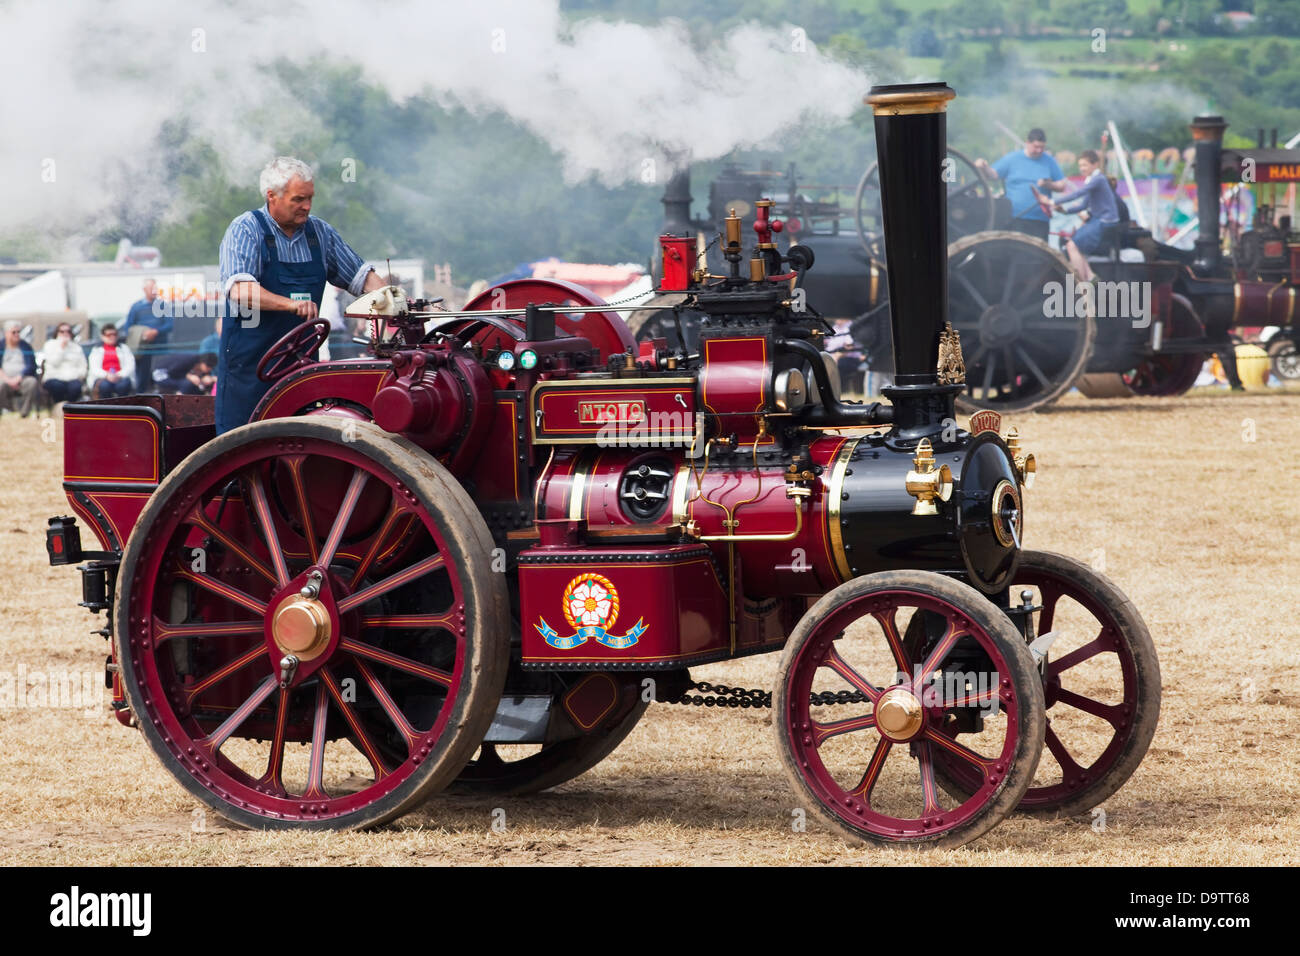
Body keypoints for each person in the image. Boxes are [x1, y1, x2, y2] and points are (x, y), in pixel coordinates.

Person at [217, 156, 387, 433]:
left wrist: (391, 297)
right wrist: (291, 305)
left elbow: (360, 276)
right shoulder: (245, 229)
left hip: (301, 371)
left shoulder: (320, 233)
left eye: (310, 198)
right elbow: (240, 290)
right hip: (249, 373)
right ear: (272, 196)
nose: (306, 206)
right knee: (241, 448)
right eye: (298, 199)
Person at [975, 128, 1067, 241]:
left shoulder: (1049, 161)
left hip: (1040, 219)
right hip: (1015, 218)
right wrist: (984, 167)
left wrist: (1049, 185)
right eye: (1036, 147)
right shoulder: (1012, 158)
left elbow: (1062, 186)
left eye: (1042, 147)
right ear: (1027, 143)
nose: (1039, 150)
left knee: (1039, 255)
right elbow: (993, 175)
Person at [1053, 149, 1122, 282]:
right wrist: (1064, 211)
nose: (1082, 169)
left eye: (1084, 165)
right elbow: (1083, 205)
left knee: (1072, 245)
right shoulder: (1093, 181)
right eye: (1080, 166)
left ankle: (1081, 281)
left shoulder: (1098, 179)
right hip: (1099, 221)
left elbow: (1078, 194)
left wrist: (1053, 201)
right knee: (1072, 244)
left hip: (1104, 223)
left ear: (1095, 165)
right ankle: (1090, 276)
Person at [120, 279, 173, 393]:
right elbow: (128, 327)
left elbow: (169, 325)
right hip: (142, 350)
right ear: (144, 290)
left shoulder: (163, 305)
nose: (153, 291)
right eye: (150, 288)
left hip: (160, 348)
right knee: (142, 376)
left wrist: (156, 332)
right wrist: (141, 334)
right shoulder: (136, 307)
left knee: (160, 375)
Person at [40, 322, 88, 405]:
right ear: (57, 333)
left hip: (73, 378)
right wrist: (61, 348)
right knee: (58, 387)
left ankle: (71, 409)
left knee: (76, 387)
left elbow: (83, 366)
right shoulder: (50, 345)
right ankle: (58, 408)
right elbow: (53, 362)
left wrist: (78, 375)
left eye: (68, 331)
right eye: (62, 331)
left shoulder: (76, 347)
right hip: (54, 377)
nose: (65, 334)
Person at [1, 320, 38, 416]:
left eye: (18, 332)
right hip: (4, 378)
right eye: (14, 332)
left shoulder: (26, 346)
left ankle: (24, 413)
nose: (17, 334)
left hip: (22, 379)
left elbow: (31, 366)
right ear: (6, 333)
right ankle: (8, 409)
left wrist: (18, 378)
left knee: (32, 382)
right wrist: (8, 380)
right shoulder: (1, 346)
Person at [87, 324, 136, 398]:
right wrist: (107, 375)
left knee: (123, 385)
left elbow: (130, 365)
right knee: (105, 386)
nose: (112, 337)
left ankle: (123, 408)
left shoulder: (124, 348)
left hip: (121, 377)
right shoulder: (96, 349)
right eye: (109, 335)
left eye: (114, 334)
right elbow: (94, 368)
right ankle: (105, 408)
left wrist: (119, 375)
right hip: (102, 378)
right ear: (103, 336)